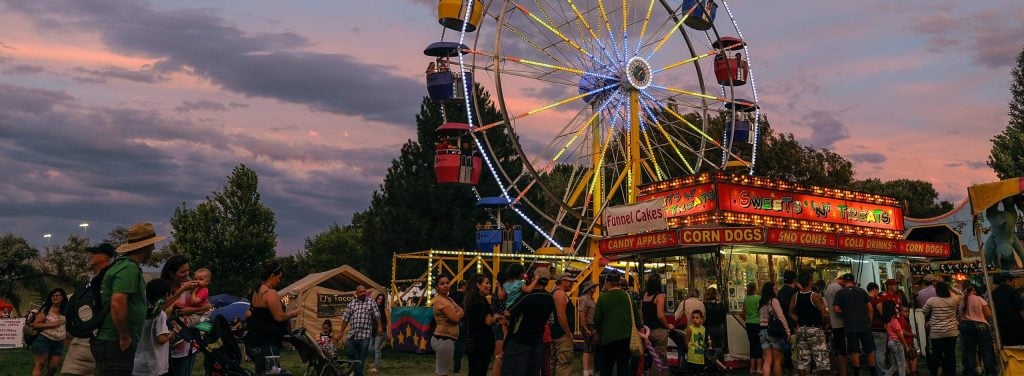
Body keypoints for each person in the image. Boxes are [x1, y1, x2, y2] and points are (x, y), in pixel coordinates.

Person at [91, 222, 164, 375]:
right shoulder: (128, 268)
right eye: (152, 245)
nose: (154, 248)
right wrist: (124, 336)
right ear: (144, 246)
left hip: (113, 339)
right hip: (115, 340)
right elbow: (118, 303)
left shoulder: (124, 266)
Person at [61, 243, 115, 376]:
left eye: (94, 253)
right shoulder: (92, 281)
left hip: (100, 340)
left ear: (105, 257)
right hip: (81, 343)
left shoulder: (110, 278)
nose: (90, 256)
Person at [244, 261, 300, 376]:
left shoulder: (256, 291)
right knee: (272, 372)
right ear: (272, 276)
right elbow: (279, 317)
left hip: (255, 340)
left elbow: (251, 313)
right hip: (267, 342)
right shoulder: (270, 293)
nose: (279, 281)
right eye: (279, 278)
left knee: (261, 371)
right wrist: (293, 313)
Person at [501, 268, 555, 376]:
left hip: (519, 341)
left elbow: (508, 313)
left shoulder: (527, 297)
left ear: (534, 278)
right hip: (537, 341)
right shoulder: (549, 298)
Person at [162, 255, 207, 376]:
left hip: (187, 344)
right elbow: (161, 309)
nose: (187, 274)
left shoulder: (192, 287)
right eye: (182, 271)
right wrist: (181, 290)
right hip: (165, 344)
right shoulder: (164, 288)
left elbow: (207, 307)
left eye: (188, 270)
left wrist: (189, 310)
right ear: (171, 273)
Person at [594, 273, 642, 376]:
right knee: (623, 366)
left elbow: (597, 320)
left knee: (606, 367)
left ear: (609, 282)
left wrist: (597, 331)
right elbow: (637, 316)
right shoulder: (628, 296)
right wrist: (641, 330)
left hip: (607, 338)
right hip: (625, 337)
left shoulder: (603, 298)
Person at [832, 273, 876, 376]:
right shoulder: (861, 291)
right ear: (853, 281)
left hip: (850, 325)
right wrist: (869, 321)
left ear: (843, 281)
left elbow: (836, 309)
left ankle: (857, 373)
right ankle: (873, 373)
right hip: (864, 324)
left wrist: (847, 312)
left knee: (854, 350)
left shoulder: (840, 293)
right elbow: (870, 308)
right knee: (869, 349)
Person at [789, 273, 830, 376]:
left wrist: (798, 321)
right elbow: (824, 314)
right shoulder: (815, 296)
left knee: (803, 360)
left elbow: (790, 312)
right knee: (821, 360)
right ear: (810, 282)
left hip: (801, 329)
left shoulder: (795, 296)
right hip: (814, 329)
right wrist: (827, 324)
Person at [338, 285, 383, 376]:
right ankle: (354, 369)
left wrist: (380, 327)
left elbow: (377, 315)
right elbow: (345, 318)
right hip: (353, 334)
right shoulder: (351, 303)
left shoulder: (371, 302)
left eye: (364, 291)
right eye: (361, 292)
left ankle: (356, 373)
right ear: (356, 293)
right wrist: (341, 331)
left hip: (365, 335)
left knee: (362, 357)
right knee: (348, 349)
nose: (363, 293)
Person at [463, 274, 502, 376]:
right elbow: (488, 321)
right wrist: (497, 317)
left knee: (473, 371)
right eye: (486, 283)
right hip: (482, 342)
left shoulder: (470, 299)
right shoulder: (481, 300)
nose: (489, 286)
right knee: (480, 370)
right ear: (478, 285)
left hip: (472, 341)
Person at [133, 279, 173, 376]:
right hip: (154, 366)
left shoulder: (140, 311)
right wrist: (171, 333)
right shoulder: (160, 315)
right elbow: (160, 339)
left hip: (137, 364)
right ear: (166, 295)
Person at [921, 281, 960, 376]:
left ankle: (936, 373)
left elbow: (924, 311)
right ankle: (950, 373)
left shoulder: (932, 300)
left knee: (937, 355)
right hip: (951, 332)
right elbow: (962, 294)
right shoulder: (954, 299)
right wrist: (950, 286)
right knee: (950, 354)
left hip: (936, 333)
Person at [958, 282, 996, 376]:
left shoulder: (962, 301)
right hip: (981, 326)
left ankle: (971, 372)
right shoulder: (979, 299)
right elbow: (988, 314)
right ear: (974, 291)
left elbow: (959, 316)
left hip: (966, 326)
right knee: (985, 351)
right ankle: (990, 372)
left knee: (970, 351)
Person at [432, 275, 464, 376]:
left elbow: (461, 310)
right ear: (437, 287)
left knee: (440, 371)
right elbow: (456, 318)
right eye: (442, 284)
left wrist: (457, 313)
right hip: (444, 338)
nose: (446, 285)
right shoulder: (440, 301)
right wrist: (457, 314)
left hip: (447, 338)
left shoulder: (449, 299)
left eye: (447, 282)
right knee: (442, 372)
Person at [31, 288, 67, 376]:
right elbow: (35, 325)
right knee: (40, 365)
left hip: (59, 342)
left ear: (62, 297)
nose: (55, 297)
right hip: (44, 340)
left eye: (58, 295)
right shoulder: (46, 310)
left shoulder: (66, 310)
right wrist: (51, 325)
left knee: (53, 367)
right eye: (53, 295)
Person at [642, 276, 673, 376]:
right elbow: (660, 316)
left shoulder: (645, 295)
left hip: (647, 331)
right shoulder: (659, 296)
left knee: (649, 356)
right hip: (658, 331)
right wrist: (668, 326)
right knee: (659, 358)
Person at [759, 282, 791, 376]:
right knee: (778, 359)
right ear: (771, 291)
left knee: (767, 359)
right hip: (773, 332)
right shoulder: (774, 301)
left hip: (762, 331)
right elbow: (781, 317)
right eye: (775, 289)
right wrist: (787, 331)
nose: (777, 290)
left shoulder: (761, 302)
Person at [551, 273, 576, 376]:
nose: (572, 284)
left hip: (555, 333)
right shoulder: (560, 294)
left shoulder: (554, 293)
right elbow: (561, 315)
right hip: (562, 335)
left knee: (552, 363)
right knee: (564, 363)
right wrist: (568, 333)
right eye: (570, 282)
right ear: (563, 281)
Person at [824, 274, 848, 376]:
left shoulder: (829, 288)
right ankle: (844, 372)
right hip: (840, 322)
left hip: (834, 323)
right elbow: (840, 307)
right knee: (842, 349)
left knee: (838, 348)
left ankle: (841, 371)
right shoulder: (838, 289)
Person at [776, 271, 799, 372]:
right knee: (793, 346)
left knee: (785, 346)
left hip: (781, 323)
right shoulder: (794, 292)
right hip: (792, 323)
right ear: (794, 280)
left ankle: (786, 366)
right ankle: (792, 367)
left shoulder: (780, 292)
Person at [993, 274, 1024, 346]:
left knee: (1007, 346)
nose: (1014, 284)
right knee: (1019, 346)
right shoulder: (1012, 291)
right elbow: (1020, 308)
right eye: (1013, 282)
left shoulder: (994, 292)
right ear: (1007, 281)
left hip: (1001, 325)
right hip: (1015, 324)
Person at [866, 282, 889, 376]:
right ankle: (882, 372)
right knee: (880, 351)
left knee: (873, 351)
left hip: (869, 328)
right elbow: (882, 313)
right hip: (879, 328)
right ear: (875, 289)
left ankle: (875, 371)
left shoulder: (865, 300)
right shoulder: (876, 300)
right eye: (877, 290)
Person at [740, 282, 763, 375]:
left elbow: (743, 312)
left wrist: (748, 318)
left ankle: (752, 368)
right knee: (758, 345)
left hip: (748, 324)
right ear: (755, 289)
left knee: (752, 345)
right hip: (757, 323)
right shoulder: (758, 298)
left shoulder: (746, 299)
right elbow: (761, 311)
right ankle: (759, 368)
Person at [881, 301, 907, 376]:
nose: (897, 309)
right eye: (895, 308)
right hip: (896, 342)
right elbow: (899, 334)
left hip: (890, 342)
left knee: (894, 365)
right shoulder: (894, 320)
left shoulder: (886, 321)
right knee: (902, 365)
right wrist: (905, 345)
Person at [578, 280, 599, 376]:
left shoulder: (589, 298)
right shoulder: (584, 299)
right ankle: (586, 371)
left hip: (590, 325)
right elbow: (582, 314)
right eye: (593, 287)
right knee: (587, 349)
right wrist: (585, 328)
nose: (595, 288)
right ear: (589, 289)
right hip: (588, 325)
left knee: (591, 349)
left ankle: (589, 370)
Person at [703, 287, 727, 361]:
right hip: (719, 328)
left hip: (709, 329)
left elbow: (703, 317)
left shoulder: (705, 305)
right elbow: (723, 318)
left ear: (707, 295)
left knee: (711, 349)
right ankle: (721, 365)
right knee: (719, 348)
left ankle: (712, 366)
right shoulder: (721, 305)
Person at [449, 280, 467, 374]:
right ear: (463, 286)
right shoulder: (466, 296)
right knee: (459, 346)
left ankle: (446, 364)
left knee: (449, 344)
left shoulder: (451, 295)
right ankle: (457, 366)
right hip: (462, 323)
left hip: (451, 322)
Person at [897, 306, 919, 376]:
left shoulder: (900, 319)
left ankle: (909, 373)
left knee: (906, 359)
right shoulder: (902, 320)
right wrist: (913, 335)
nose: (907, 313)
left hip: (904, 343)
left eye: (908, 312)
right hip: (908, 342)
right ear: (900, 312)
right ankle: (913, 371)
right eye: (905, 312)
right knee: (915, 356)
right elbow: (902, 332)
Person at [683, 310, 707, 375]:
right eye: (693, 318)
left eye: (697, 318)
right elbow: (686, 341)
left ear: (701, 319)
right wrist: (689, 351)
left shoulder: (703, 329)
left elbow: (703, 341)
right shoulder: (690, 329)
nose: (695, 319)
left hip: (700, 357)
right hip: (692, 358)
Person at [371, 293, 389, 373]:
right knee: (369, 348)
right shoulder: (372, 309)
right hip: (372, 331)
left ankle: (376, 367)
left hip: (381, 331)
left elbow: (390, 321)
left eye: (382, 299)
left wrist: (389, 332)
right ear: (376, 299)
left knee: (377, 349)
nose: (380, 301)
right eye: (379, 299)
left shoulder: (385, 309)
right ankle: (375, 361)